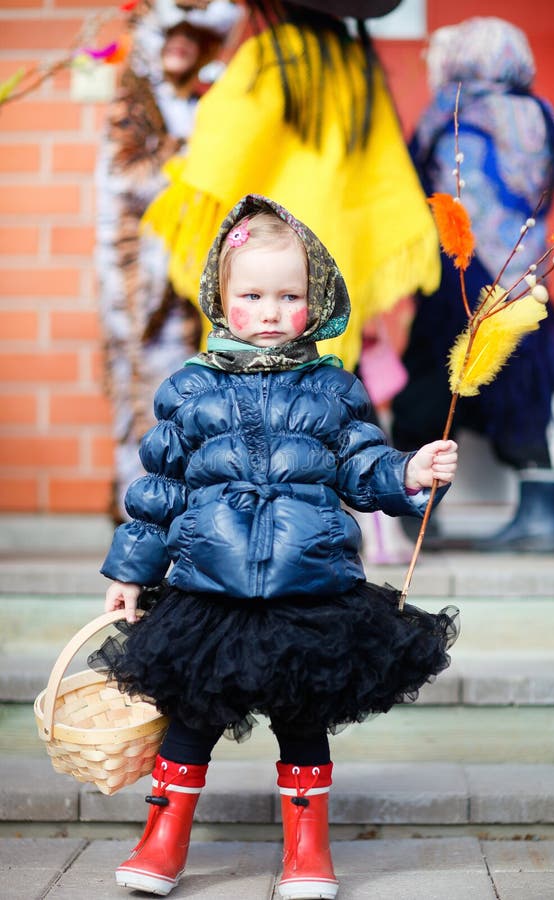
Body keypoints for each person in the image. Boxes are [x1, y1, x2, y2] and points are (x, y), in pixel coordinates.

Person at [91, 195, 459, 899]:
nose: (268, 310)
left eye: (288, 296)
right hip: (209, 586)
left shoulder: (333, 389)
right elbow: (160, 489)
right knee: (194, 715)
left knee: (302, 716)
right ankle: (163, 839)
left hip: (308, 584)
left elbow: (361, 467)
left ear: (315, 300)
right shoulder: (190, 389)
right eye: (251, 295)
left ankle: (307, 850)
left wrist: (408, 471)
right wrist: (130, 573)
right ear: (221, 300)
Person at [141, 0, 441, 377]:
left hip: (264, 259)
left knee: (250, 400)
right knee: (326, 401)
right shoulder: (356, 62)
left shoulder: (270, 54)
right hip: (332, 257)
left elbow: (218, 152)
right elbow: (383, 179)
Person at [391, 16, 554, 553]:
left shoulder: (450, 109)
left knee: (428, 393)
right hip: (522, 281)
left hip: (458, 279)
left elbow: (409, 183)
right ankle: (540, 520)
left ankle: (412, 517)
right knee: (525, 395)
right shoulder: (543, 115)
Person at [95, 0, 241, 521]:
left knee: (186, 387)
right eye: (169, 35)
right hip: (139, 274)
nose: (179, 45)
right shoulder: (135, 100)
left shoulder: (211, 98)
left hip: (190, 267)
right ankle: (136, 511)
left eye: (190, 37)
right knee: (142, 385)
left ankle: (179, 507)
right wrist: (189, 155)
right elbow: (122, 175)